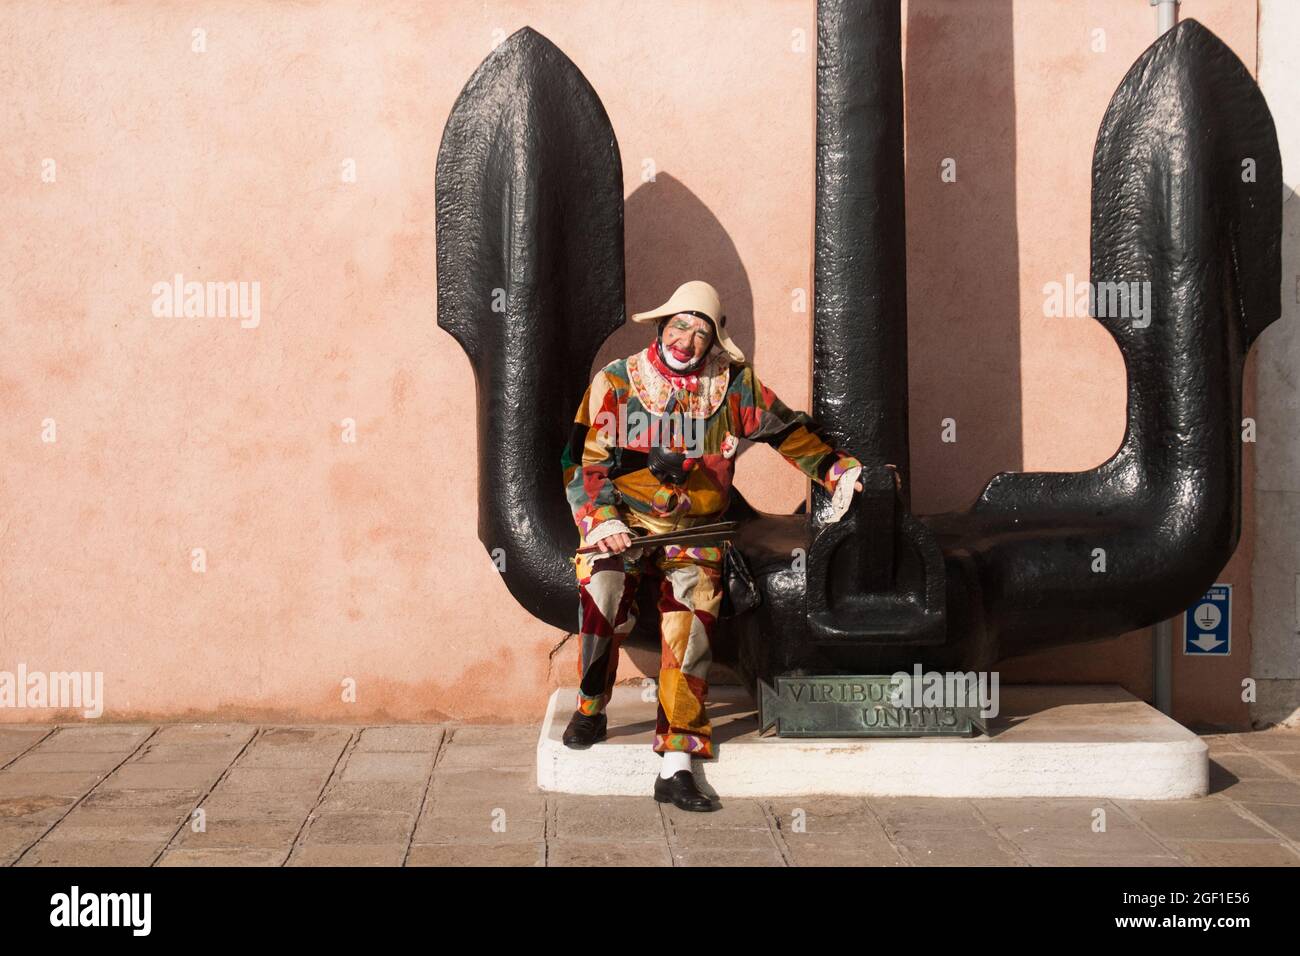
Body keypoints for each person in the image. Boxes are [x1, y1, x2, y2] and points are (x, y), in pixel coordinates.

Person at [560, 279, 879, 811]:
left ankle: (677, 762)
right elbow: (582, 461)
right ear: (663, 325)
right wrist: (599, 520)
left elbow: (786, 432)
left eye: (700, 331)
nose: (686, 340)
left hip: (698, 532)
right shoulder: (616, 382)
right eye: (680, 325)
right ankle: (591, 706)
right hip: (623, 525)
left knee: (691, 626)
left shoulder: (733, 385)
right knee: (601, 594)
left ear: (713, 342)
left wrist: (836, 469)